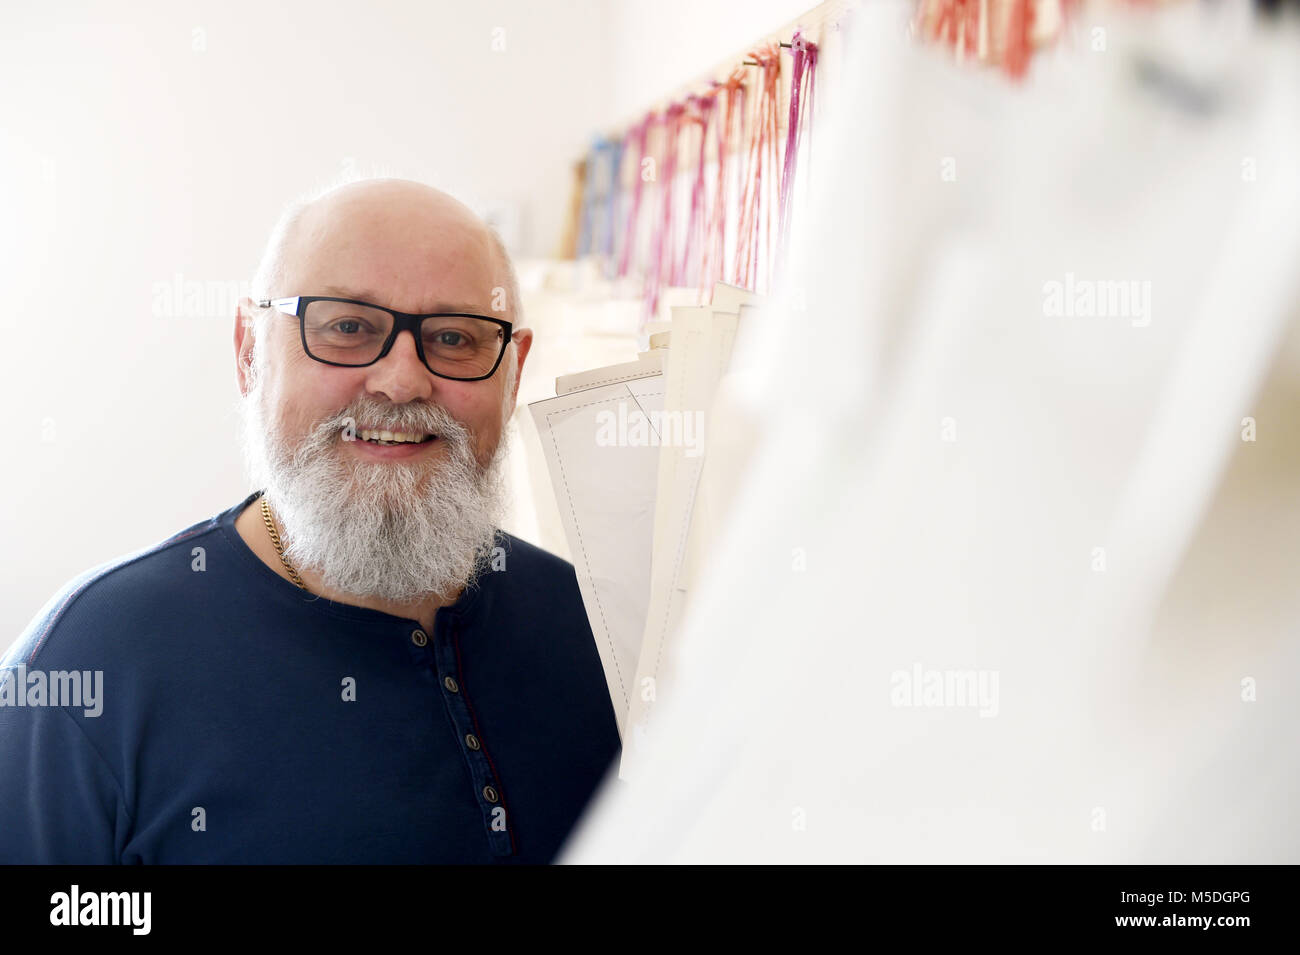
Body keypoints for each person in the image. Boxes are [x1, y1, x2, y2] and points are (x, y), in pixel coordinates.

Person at [0, 178, 619, 863]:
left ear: (513, 369)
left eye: (454, 337)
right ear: (249, 351)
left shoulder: (600, 622)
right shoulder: (87, 669)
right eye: (348, 327)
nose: (402, 380)